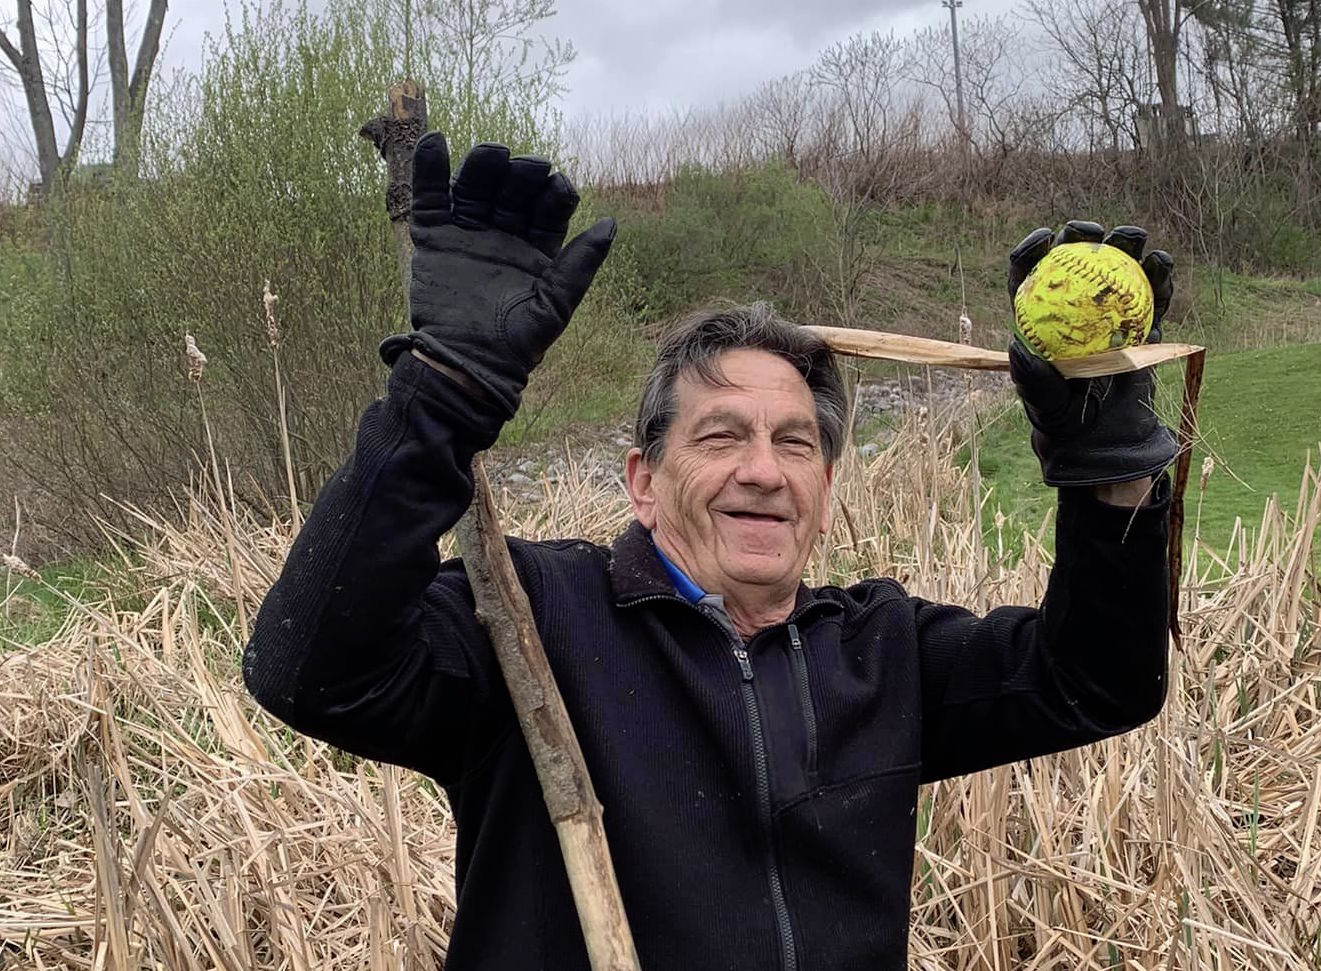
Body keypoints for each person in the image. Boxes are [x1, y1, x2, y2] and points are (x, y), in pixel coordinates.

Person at [242, 132, 1178, 970]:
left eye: (795, 442)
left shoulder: (879, 652)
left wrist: (1109, 477)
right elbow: (312, 671)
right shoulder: (532, 618)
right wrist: (437, 400)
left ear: (823, 490)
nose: (763, 471)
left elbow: (1095, 680)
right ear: (642, 480)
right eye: (722, 437)